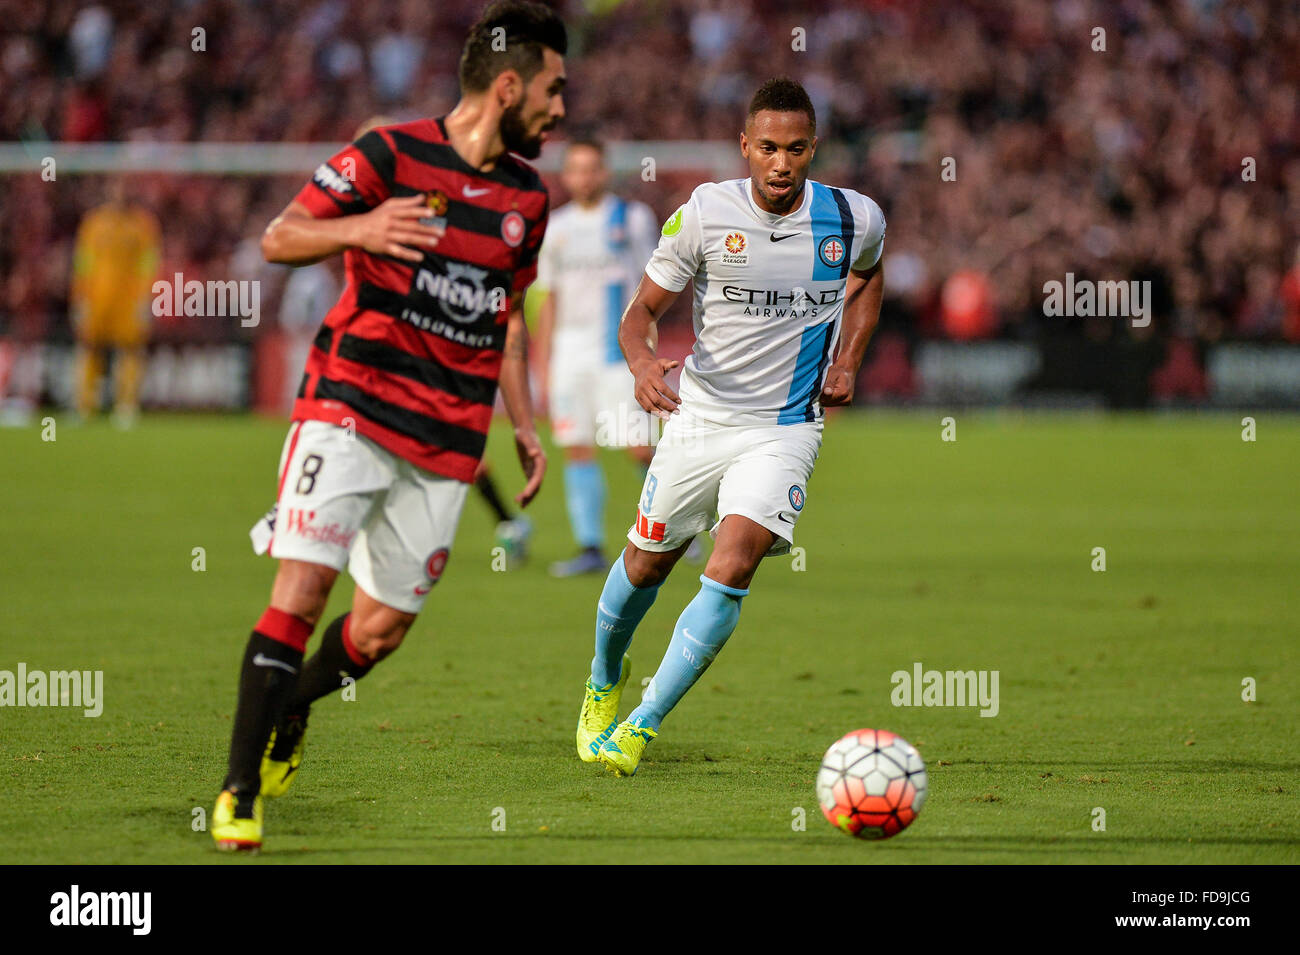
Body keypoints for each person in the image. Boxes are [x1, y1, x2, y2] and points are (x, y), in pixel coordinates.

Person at [213, 0, 566, 851]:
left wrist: (523, 423)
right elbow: (279, 235)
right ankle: (236, 790)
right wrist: (366, 225)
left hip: (445, 444)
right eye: (554, 90)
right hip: (350, 408)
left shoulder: (529, 197)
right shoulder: (390, 152)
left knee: (378, 631)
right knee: (299, 594)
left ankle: (292, 704)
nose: (561, 109)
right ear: (508, 84)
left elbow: (506, 316)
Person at [574, 77, 886, 776]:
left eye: (796, 148)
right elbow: (640, 313)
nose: (782, 163)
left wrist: (850, 359)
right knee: (646, 562)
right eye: (768, 148)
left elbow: (869, 278)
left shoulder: (853, 218)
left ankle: (641, 725)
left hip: (786, 428)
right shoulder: (706, 214)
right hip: (700, 417)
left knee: (732, 562)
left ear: (814, 149)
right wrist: (641, 362)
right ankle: (603, 676)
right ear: (745, 147)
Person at [532, 139, 660, 576]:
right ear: (565, 175)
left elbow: (653, 288)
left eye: (592, 168)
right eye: (576, 169)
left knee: (638, 445)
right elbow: (548, 298)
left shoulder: (633, 218)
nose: (584, 177)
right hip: (571, 353)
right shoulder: (553, 227)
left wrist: (648, 349)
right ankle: (590, 547)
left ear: (604, 172)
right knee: (578, 446)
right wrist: (544, 364)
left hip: (617, 354)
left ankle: (672, 529)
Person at [69, 176, 161, 427]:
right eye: (115, 188)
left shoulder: (143, 224)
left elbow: (148, 265)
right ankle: (85, 405)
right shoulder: (93, 223)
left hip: (129, 300)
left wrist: (147, 298)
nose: (119, 193)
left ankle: (127, 405)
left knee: (130, 350)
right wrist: (80, 298)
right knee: (89, 348)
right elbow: (83, 264)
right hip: (97, 297)